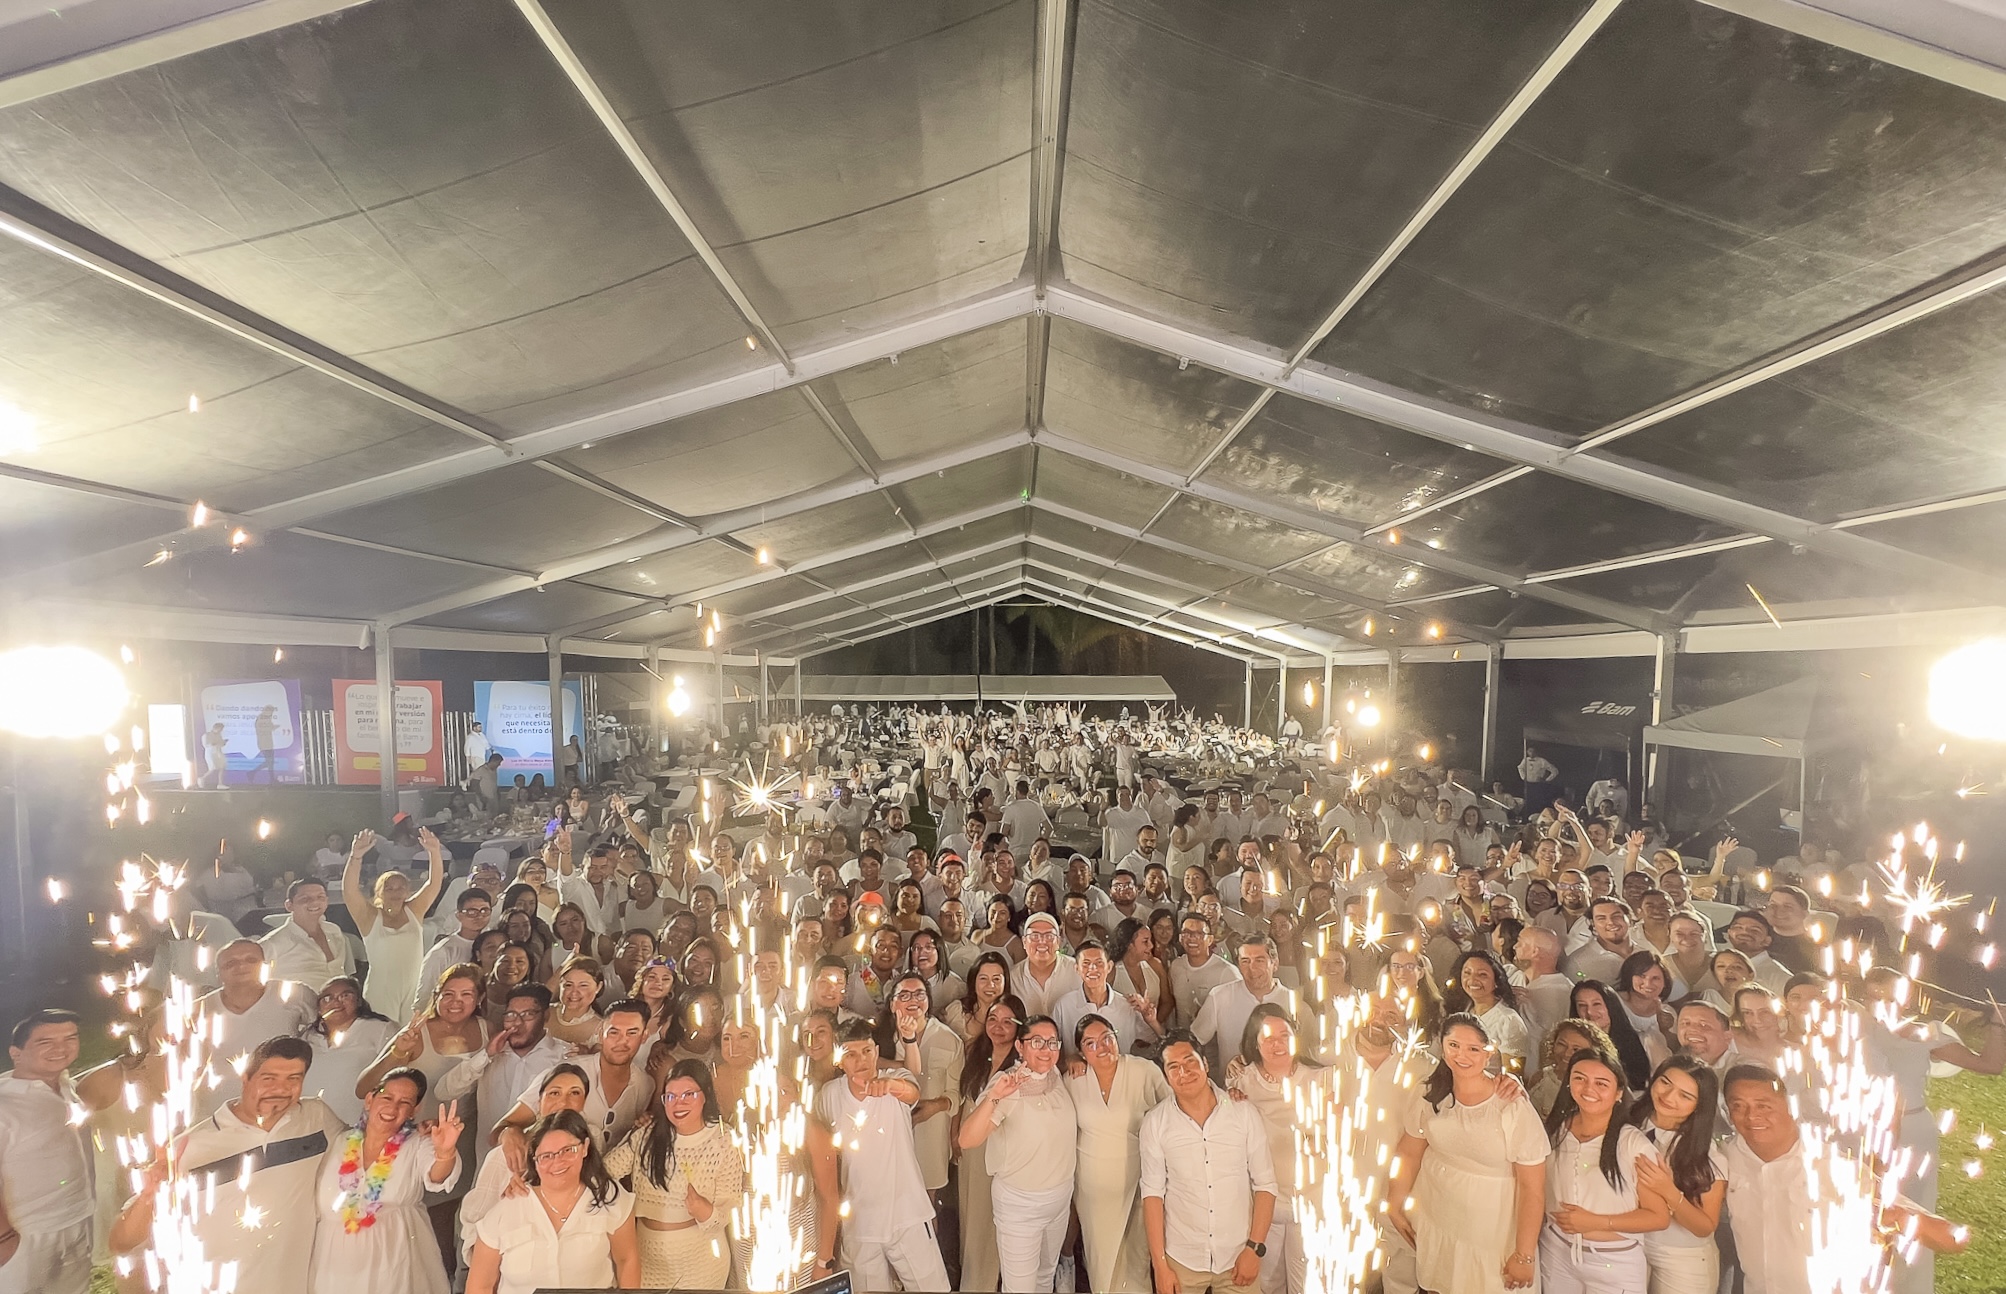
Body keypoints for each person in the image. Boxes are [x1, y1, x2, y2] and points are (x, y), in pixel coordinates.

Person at [165, 1037, 349, 1292]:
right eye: (269, 1079)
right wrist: (146, 1197)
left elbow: (362, 1146)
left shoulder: (316, 1117)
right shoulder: (191, 1146)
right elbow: (126, 1241)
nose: (281, 1089)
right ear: (245, 1079)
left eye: (293, 1079)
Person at [1387, 1014, 1546, 1294]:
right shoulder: (1429, 1092)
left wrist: (1524, 1254)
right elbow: (1409, 1151)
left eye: (1473, 1049)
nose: (1462, 1055)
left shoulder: (1511, 1104)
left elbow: (1532, 1186)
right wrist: (1395, 1200)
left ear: (1488, 1053)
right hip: (1438, 1214)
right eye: (1454, 1045)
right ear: (1443, 1046)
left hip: (1491, 1229)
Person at [816, 1020, 952, 1292]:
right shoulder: (829, 1096)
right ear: (839, 1059)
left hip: (907, 1214)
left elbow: (912, 1093)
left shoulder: (897, 1080)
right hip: (860, 1222)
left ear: (876, 1051)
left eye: (866, 1051)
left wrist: (889, 1085)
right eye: (851, 1054)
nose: (861, 1060)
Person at [1140, 1031, 1276, 1294]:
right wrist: (1160, 1265)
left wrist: (1255, 1248)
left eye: (1190, 1061)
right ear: (1166, 1076)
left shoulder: (1243, 1113)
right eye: (1174, 1067)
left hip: (1238, 1253)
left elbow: (1265, 1184)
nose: (1184, 1071)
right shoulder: (1155, 1123)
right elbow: (1153, 1195)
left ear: (1205, 1063)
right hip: (1182, 1256)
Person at [308, 1069, 464, 1294]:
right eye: (386, 1097)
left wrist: (445, 1152)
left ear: (414, 1111)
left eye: (404, 1102)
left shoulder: (419, 1143)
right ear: (370, 1100)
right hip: (333, 1266)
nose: (392, 1108)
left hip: (394, 1263)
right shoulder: (338, 1141)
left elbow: (438, 1177)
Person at [957, 1015, 1079, 1293]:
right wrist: (996, 1096)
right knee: (1020, 1286)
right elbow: (967, 1139)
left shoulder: (1055, 1075)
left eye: (1052, 1042)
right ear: (1021, 1047)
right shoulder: (1007, 1083)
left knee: (1045, 1276)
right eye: (1037, 1042)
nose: (1046, 1049)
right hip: (1020, 1206)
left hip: (1058, 1199)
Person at [466, 1109, 639, 1294]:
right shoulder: (508, 1209)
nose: (558, 1162)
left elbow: (626, 1259)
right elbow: (480, 1285)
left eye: (567, 1150)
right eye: (546, 1156)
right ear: (535, 1161)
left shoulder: (609, 1197)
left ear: (585, 1147)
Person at [603, 1060, 744, 1288]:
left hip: (701, 1259)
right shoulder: (648, 1134)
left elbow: (729, 1210)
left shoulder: (723, 1139)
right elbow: (604, 1172)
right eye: (671, 1096)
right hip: (648, 1258)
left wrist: (705, 1211)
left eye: (688, 1094)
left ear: (705, 1095)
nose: (679, 1104)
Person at [1538, 1047, 1667, 1293]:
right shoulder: (1556, 1130)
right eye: (1580, 1079)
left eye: (1601, 1083)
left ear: (1618, 1092)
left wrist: (1597, 1221)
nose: (1589, 1089)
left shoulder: (1631, 1143)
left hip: (1613, 1263)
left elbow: (1658, 1216)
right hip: (1556, 1253)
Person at [1068, 1013, 1172, 1294]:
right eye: (1091, 1043)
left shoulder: (1144, 1070)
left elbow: (1173, 1112)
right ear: (1080, 1051)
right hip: (1092, 1186)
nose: (1101, 1047)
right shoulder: (1074, 1078)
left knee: (1137, 1258)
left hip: (1138, 1180)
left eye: (1107, 1038)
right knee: (1101, 1260)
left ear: (1117, 1036)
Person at [1226, 1006, 1325, 1294]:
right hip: (1262, 1201)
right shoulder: (1241, 1081)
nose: (1277, 1044)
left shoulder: (1321, 1079)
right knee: (1267, 1282)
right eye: (1268, 1037)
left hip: (1310, 1198)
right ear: (1254, 1042)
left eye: (1284, 1035)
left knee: (1305, 1282)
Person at [0, 1009, 93, 1294]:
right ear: (16, 1052)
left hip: (76, 1219)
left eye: (70, 1038)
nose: (61, 1048)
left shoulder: (67, 1087)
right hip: (26, 1234)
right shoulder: (6, 1104)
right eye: (45, 1042)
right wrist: (3, 1237)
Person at [435, 984, 570, 1158]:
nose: (517, 1023)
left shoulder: (565, 1057)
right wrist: (486, 1055)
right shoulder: (489, 1054)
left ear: (545, 1016)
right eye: (511, 1015)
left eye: (528, 1014)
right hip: (487, 1167)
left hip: (538, 1167)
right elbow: (443, 1091)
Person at [191, 938, 319, 1118]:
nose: (241, 966)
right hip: (217, 1115)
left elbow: (325, 1030)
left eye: (251, 960)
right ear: (218, 972)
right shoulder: (197, 1010)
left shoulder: (295, 995)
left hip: (282, 1111)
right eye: (231, 963)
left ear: (265, 965)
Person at [1631, 1056, 1726, 1294]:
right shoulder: (1629, 1121)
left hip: (1684, 1259)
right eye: (1665, 1083)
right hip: (1631, 1248)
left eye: (1685, 1096)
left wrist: (1669, 1191)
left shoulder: (1708, 1156)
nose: (1669, 1096)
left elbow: (1705, 1227)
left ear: (1699, 1105)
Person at [343, 827, 447, 1023]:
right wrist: (355, 857)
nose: (395, 892)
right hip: (381, 991)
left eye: (401, 887)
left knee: (413, 1040)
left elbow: (434, 883)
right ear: (379, 892)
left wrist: (434, 852)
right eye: (389, 888)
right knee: (382, 1040)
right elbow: (349, 891)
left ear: (408, 891)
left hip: (414, 988)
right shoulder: (369, 917)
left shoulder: (414, 911)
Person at [878, 972, 963, 1202]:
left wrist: (935, 1106)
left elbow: (956, 1094)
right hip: (888, 1132)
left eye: (919, 994)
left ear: (928, 1001)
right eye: (904, 995)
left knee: (927, 1203)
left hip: (932, 1135)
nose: (912, 1000)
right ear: (892, 1002)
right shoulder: (879, 1037)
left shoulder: (949, 1039)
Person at [304, 977, 401, 1125]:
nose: (336, 1002)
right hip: (307, 1125)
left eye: (345, 996)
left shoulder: (380, 1028)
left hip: (356, 1126)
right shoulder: (308, 1035)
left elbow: (398, 1074)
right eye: (327, 998)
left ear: (359, 1000)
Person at [1191, 935, 1293, 1072]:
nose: (1252, 968)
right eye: (1245, 961)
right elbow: (1194, 1041)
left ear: (1275, 963)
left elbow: (1307, 1051)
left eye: (1259, 960)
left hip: (1282, 1089)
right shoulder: (1220, 996)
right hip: (1233, 1089)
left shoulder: (1292, 1001)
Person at [262, 877, 356, 990]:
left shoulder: (334, 931)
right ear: (289, 905)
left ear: (326, 901)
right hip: (299, 1006)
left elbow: (342, 972)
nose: (314, 902)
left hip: (339, 1003)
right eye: (305, 899)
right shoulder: (274, 942)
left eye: (320, 897)